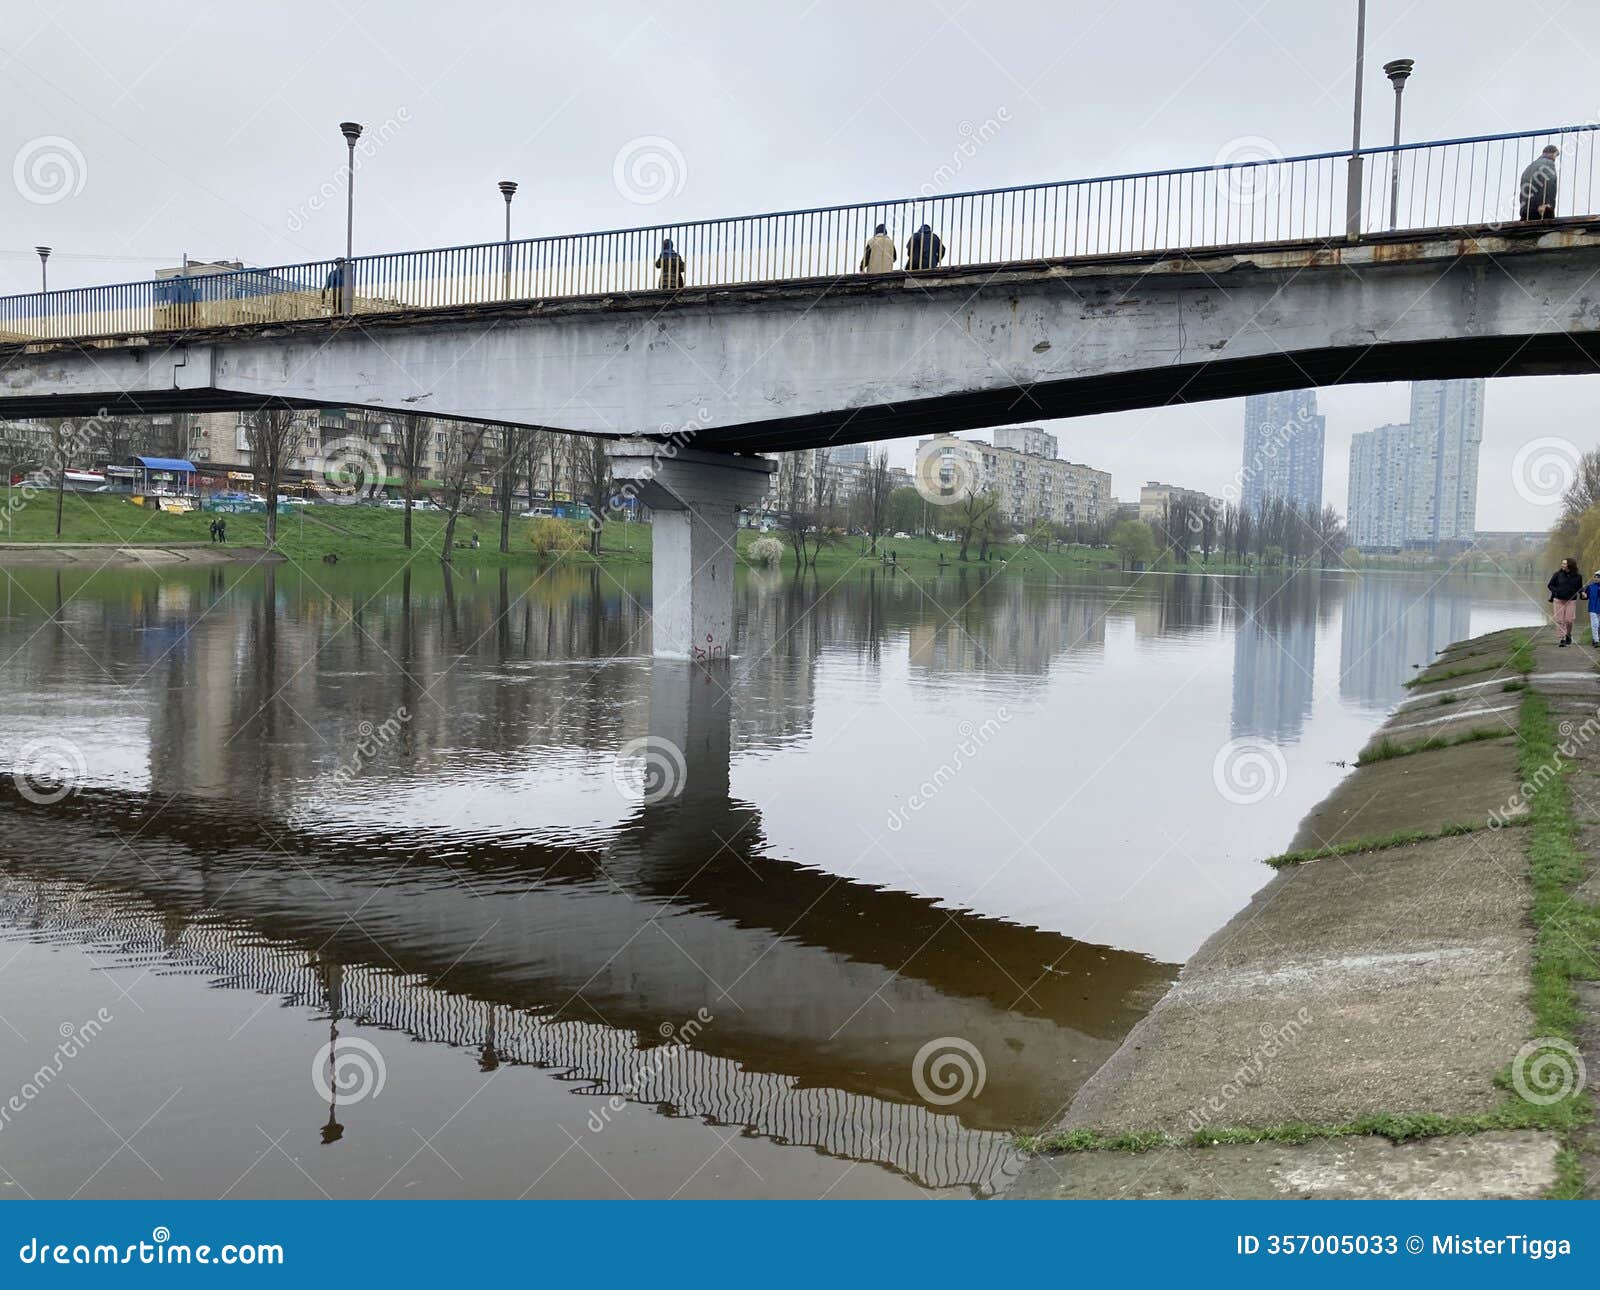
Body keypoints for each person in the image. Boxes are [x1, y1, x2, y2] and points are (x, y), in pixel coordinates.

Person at [1518, 145, 1560, 222]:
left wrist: (1523, 209)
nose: (1555, 159)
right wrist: (1548, 204)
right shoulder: (1548, 163)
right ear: (1553, 153)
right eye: (1555, 155)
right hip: (1541, 209)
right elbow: (1550, 183)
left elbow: (1522, 189)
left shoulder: (1529, 167)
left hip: (1526, 211)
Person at [1548, 556, 1582, 646]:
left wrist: (1582, 593)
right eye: (1562, 563)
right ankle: (1562, 639)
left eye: (1564, 563)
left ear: (1570, 565)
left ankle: (1568, 634)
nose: (1562, 565)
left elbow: (1579, 588)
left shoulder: (1578, 577)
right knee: (1559, 620)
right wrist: (1556, 591)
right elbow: (1550, 585)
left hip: (1571, 601)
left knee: (1569, 621)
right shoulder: (1557, 574)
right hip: (1558, 600)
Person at [1585, 570, 1600, 646]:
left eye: (1598, 577)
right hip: (1593, 608)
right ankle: (1596, 641)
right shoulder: (1590, 587)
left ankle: (1595, 639)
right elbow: (1585, 596)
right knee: (1595, 624)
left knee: (1599, 625)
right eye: (1595, 577)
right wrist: (1583, 595)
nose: (1596, 579)